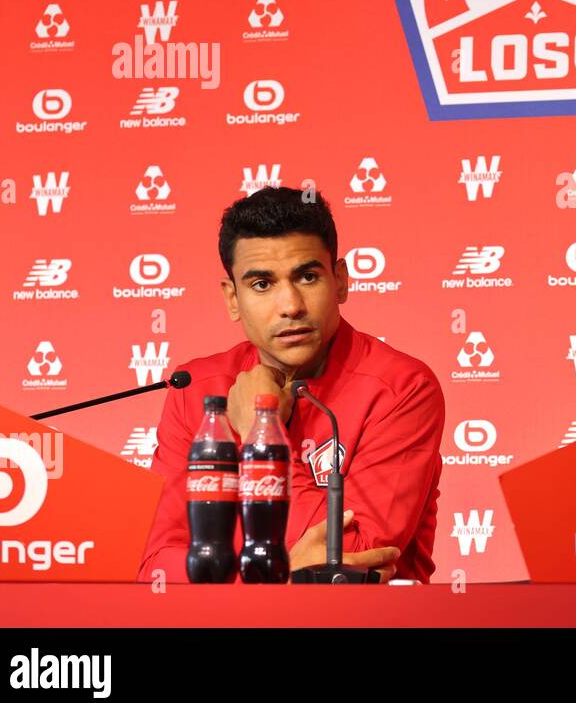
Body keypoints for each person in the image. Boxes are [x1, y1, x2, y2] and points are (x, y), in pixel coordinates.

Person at [137, 186, 445, 583]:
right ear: (233, 298)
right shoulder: (195, 390)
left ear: (341, 281)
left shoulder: (401, 388)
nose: (290, 305)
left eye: (307, 276)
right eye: (262, 284)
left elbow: (352, 557)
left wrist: (259, 435)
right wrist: (273, 580)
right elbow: (157, 565)